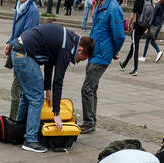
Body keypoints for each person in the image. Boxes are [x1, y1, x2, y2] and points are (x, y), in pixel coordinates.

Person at [11, 23, 92, 152]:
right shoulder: (67, 48)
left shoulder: (69, 39)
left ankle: (18, 131)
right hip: (24, 55)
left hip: (18, 51)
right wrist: (56, 113)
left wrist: (48, 90)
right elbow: (58, 81)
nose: (77, 62)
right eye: (81, 59)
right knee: (36, 99)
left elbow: (49, 62)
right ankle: (30, 140)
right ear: (80, 49)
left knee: (27, 96)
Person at [81, 0, 125, 133]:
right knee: (92, 88)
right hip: (95, 52)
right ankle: (91, 121)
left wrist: (114, 51)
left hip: (101, 54)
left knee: (87, 88)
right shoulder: (101, 5)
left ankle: (88, 123)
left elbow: (119, 35)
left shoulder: (112, 8)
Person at [8, 0, 42, 121]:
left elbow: (27, 35)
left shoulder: (32, 10)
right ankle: (18, 120)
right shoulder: (19, 6)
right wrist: (9, 42)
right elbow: (15, 32)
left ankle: (14, 120)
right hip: (17, 53)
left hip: (25, 56)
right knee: (19, 90)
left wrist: (11, 43)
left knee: (17, 89)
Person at [118, 0, 148, 75]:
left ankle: (135, 69)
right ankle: (124, 65)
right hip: (144, 26)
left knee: (135, 47)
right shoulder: (147, 1)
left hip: (137, 27)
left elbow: (132, 16)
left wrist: (129, 26)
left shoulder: (138, 1)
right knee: (133, 46)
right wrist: (147, 27)